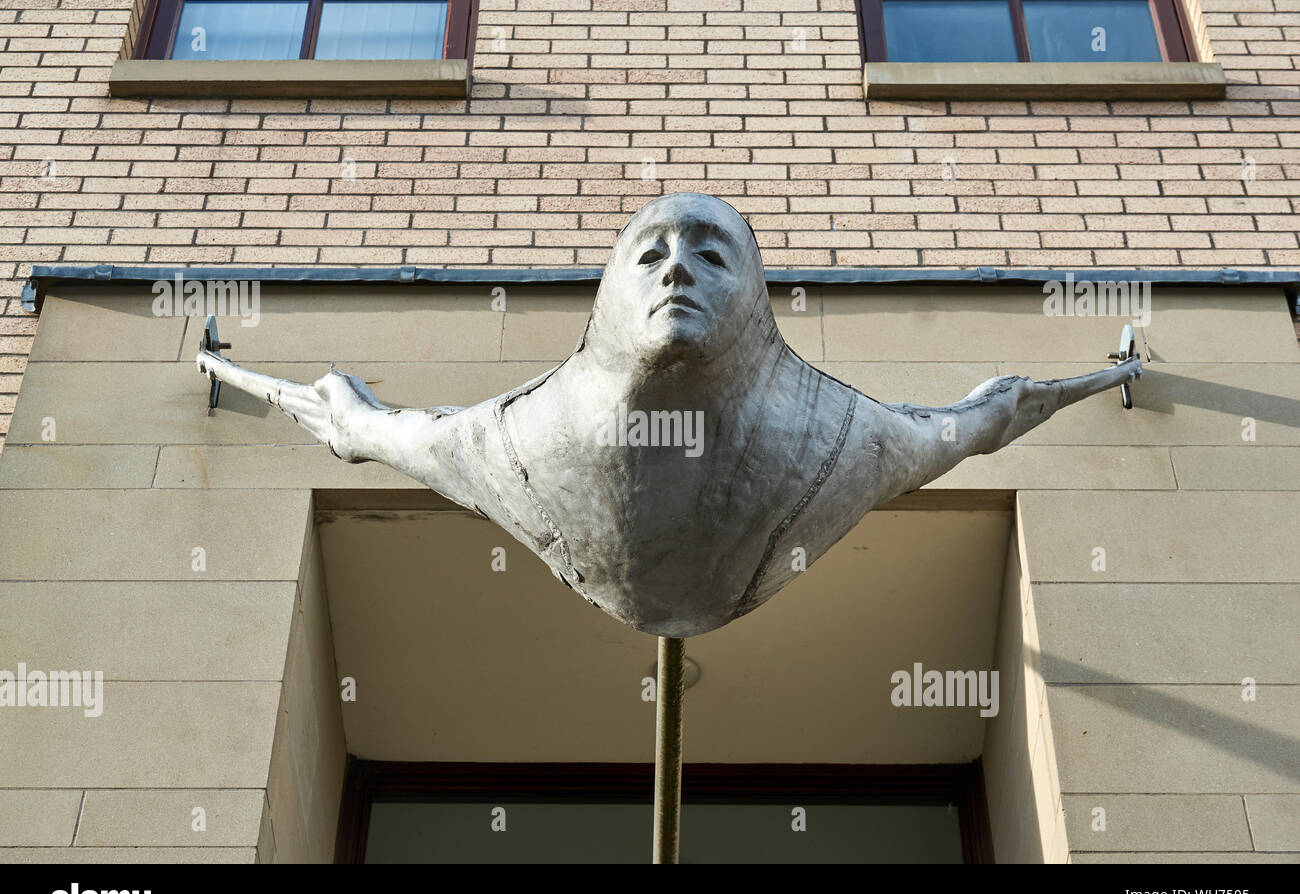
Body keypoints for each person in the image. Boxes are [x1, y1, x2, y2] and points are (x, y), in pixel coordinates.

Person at [198, 193, 1140, 638]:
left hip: (746, 566)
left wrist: (1092, 382)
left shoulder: (845, 439)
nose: (678, 266)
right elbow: (387, 433)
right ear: (610, 294)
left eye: (711, 253)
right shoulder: (517, 440)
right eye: (647, 254)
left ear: (755, 298)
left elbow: (969, 424)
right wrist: (330, 408)